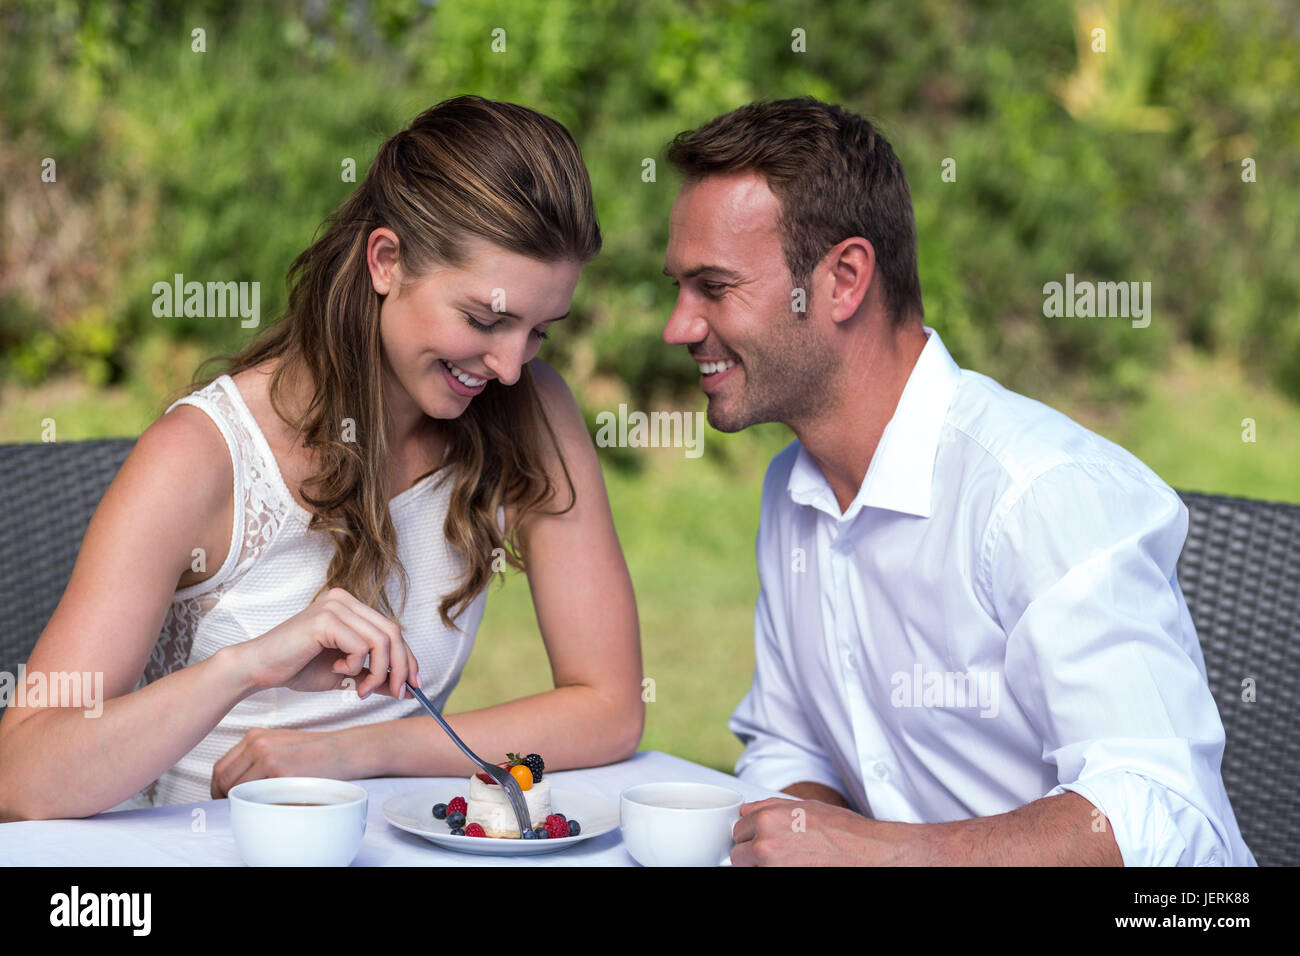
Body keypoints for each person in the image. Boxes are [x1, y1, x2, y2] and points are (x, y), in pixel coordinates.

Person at [0, 96, 643, 819]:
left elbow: (609, 707)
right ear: (386, 261)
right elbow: (20, 778)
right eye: (486, 320)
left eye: (539, 332)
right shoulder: (204, 455)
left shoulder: (529, 410)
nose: (510, 367)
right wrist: (244, 668)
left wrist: (359, 753)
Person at [659, 96, 1254, 866]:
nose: (678, 325)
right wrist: (804, 827)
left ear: (843, 279)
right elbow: (789, 745)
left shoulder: (1040, 493)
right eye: (678, 287)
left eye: (713, 286)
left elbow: (1164, 817)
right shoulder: (794, 491)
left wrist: (878, 855)